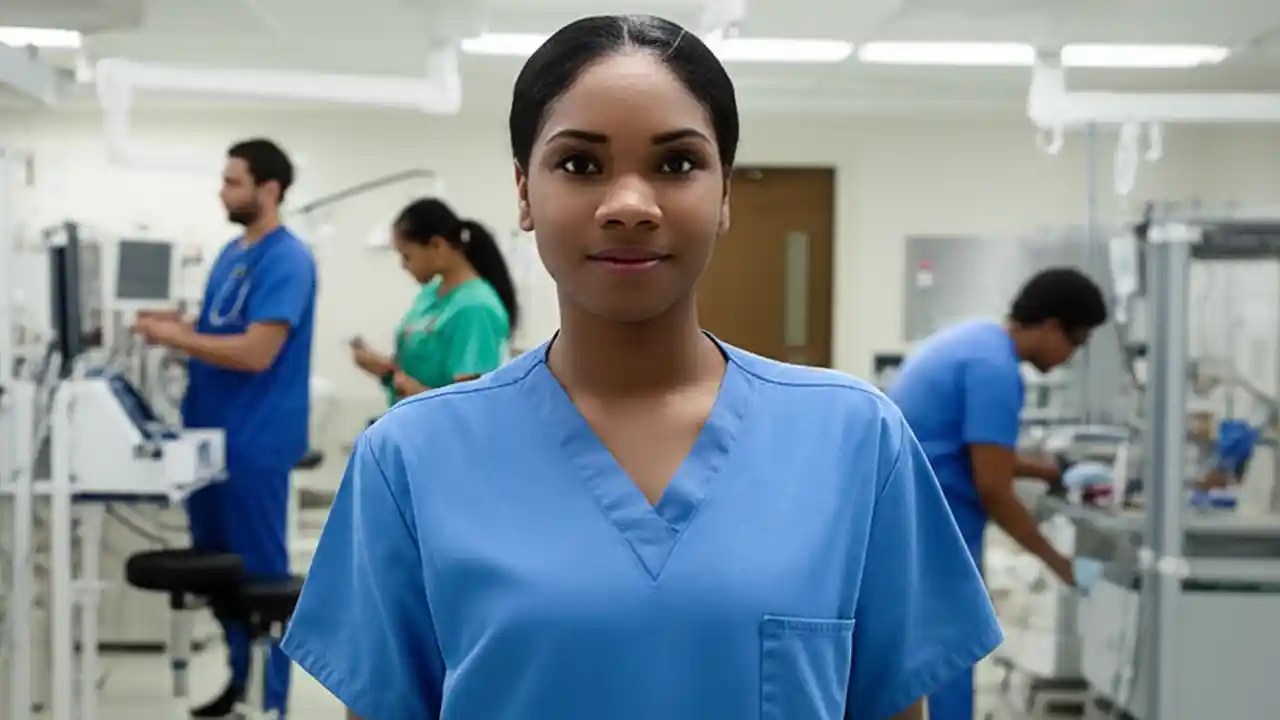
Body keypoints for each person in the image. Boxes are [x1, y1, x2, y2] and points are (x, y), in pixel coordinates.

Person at [281, 15, 1000, 720]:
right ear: (525, 193)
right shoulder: (412, 457)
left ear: (724, 195)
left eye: (677, 163)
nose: (629, 204)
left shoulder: (853, 440)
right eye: (580, 164)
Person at [134, 138, 316, 717]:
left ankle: (273, 701)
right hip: (207, 437)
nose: (222, 190)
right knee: (216, 572)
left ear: (270, 189)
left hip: (254, 441)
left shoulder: (288, 259)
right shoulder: (231, 254)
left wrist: (175, 338)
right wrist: (177, 324)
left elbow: (258, 351)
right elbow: (219, 325)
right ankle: (239, 684)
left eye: (233, 181)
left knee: (259, 581)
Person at [887, 267, 1108, 720]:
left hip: (915, 520)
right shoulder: (995, 369)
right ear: (1051, 327)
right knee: (945, 657)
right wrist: (1061, 564)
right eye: (1077, 342)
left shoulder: (974, 341)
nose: (1071, 355)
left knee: (927, 658)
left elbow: (964, 448)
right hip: (936, 530)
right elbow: (993, 488)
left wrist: (1044, 470)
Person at [350, 198, 518, 404]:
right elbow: (419, 370)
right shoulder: (430, 294)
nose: (403, 266)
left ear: (437, 246)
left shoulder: (475, 307)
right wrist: (386, 371)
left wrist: (417, 394)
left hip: (443, 433)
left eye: (407, 256)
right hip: (411, 425)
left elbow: (472, 405)